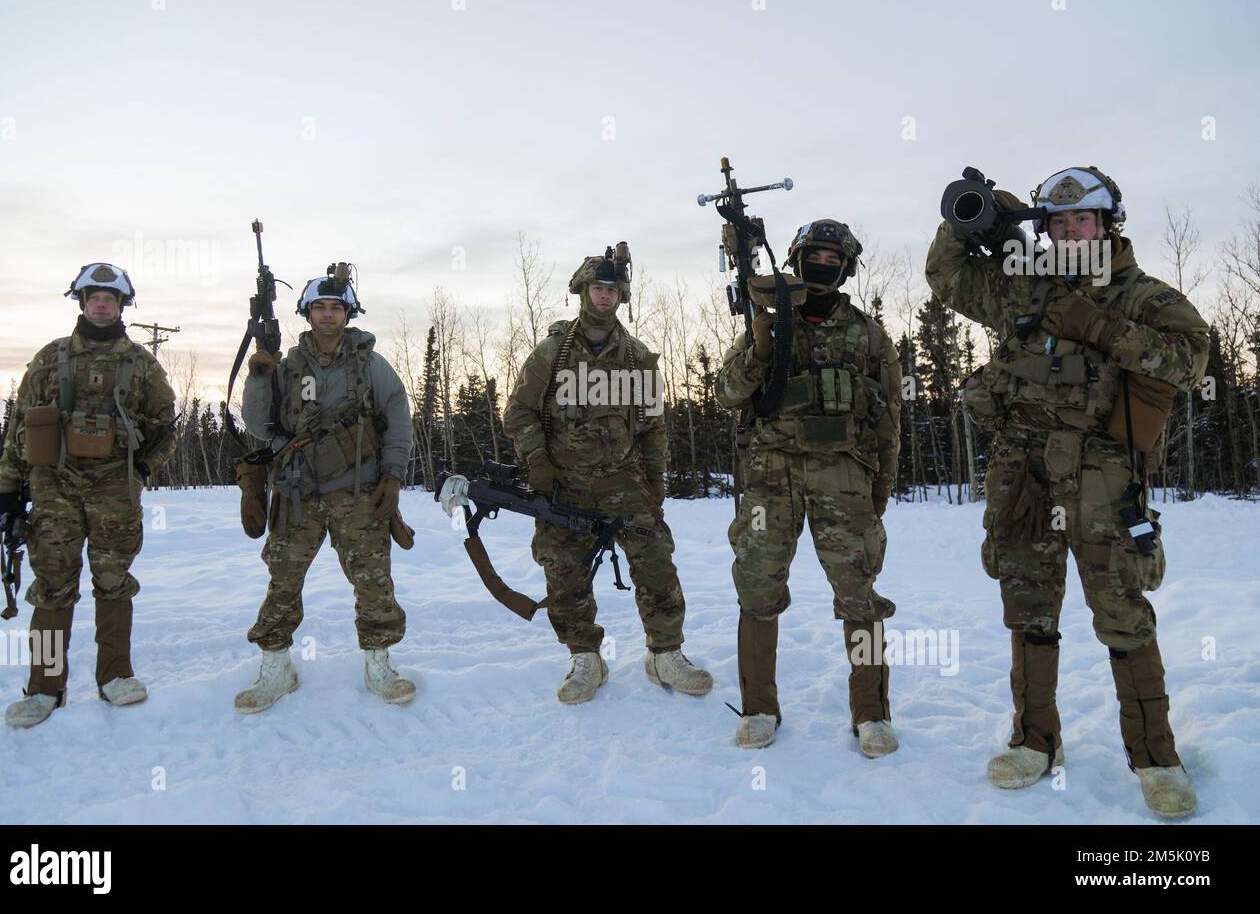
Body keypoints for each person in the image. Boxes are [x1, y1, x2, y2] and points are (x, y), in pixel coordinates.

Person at [925, 166, 1209, 818]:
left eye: (1083, 218)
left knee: (1123, 618)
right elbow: (946, 277)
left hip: (1104, 480)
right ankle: (1034, 742)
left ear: (1108, 222)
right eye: (1057, 221)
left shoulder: (1142, 294)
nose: (1071, 230)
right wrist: (968, 218)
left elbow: (1190, 358)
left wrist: (1101, 327)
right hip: (1025, 476)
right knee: (1030, 614)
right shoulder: (1023, 286)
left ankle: (1156, 758)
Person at [716, 220, 903, 754]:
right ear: (797, 261)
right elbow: (727, 393)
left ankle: (871, 712)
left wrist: (879, 491)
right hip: (771, 474)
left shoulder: (868, 335)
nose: (822, 264)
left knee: (859, 593)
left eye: (831, 257)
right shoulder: (770, 324)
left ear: (846, 266)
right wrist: (758, 348)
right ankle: (759, 708)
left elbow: (890, 420)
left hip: (844, 474)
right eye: (813, 256)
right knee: (757, 586)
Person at [502, 243, 712, 704]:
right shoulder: (552, 354)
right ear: (582, 291)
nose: (604, 296)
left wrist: (656, 482)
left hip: (625, 484)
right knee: (564, 572)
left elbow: (654, 428)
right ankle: (585, 658)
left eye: (612, 289)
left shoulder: (639, 358)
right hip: (565, 485)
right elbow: (518, 413)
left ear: (623, 296)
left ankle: (665, 653)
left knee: (656, 564)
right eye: (598, 288)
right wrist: (539, 464)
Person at [0, 263, 176, 727]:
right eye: (93, 297)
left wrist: (142, 472)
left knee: (113, 580)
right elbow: (20, 426)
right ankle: (44, 689)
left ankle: (115, 676)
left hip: (115, 488)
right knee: (53, 584)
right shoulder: (51, 358)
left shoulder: (141, 364)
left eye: (109, 298)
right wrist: (8, 490)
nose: (101, 304)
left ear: (121, 306)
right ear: (81, 302)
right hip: (54, 486)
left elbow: (165, 427)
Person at [234, 263, 415, 713]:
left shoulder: (371, 365)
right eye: (320, 307)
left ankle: (379, 663)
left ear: (349, 313)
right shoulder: (286, 366)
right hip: (297, 491)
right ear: (307, 313)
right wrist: (259, 375)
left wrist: (392, 477)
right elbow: (259, 426)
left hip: (358, 490)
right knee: (283, 580)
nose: (329, 315)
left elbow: (397, 420)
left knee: (373, 582)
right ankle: (276, 667)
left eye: (337, 307)